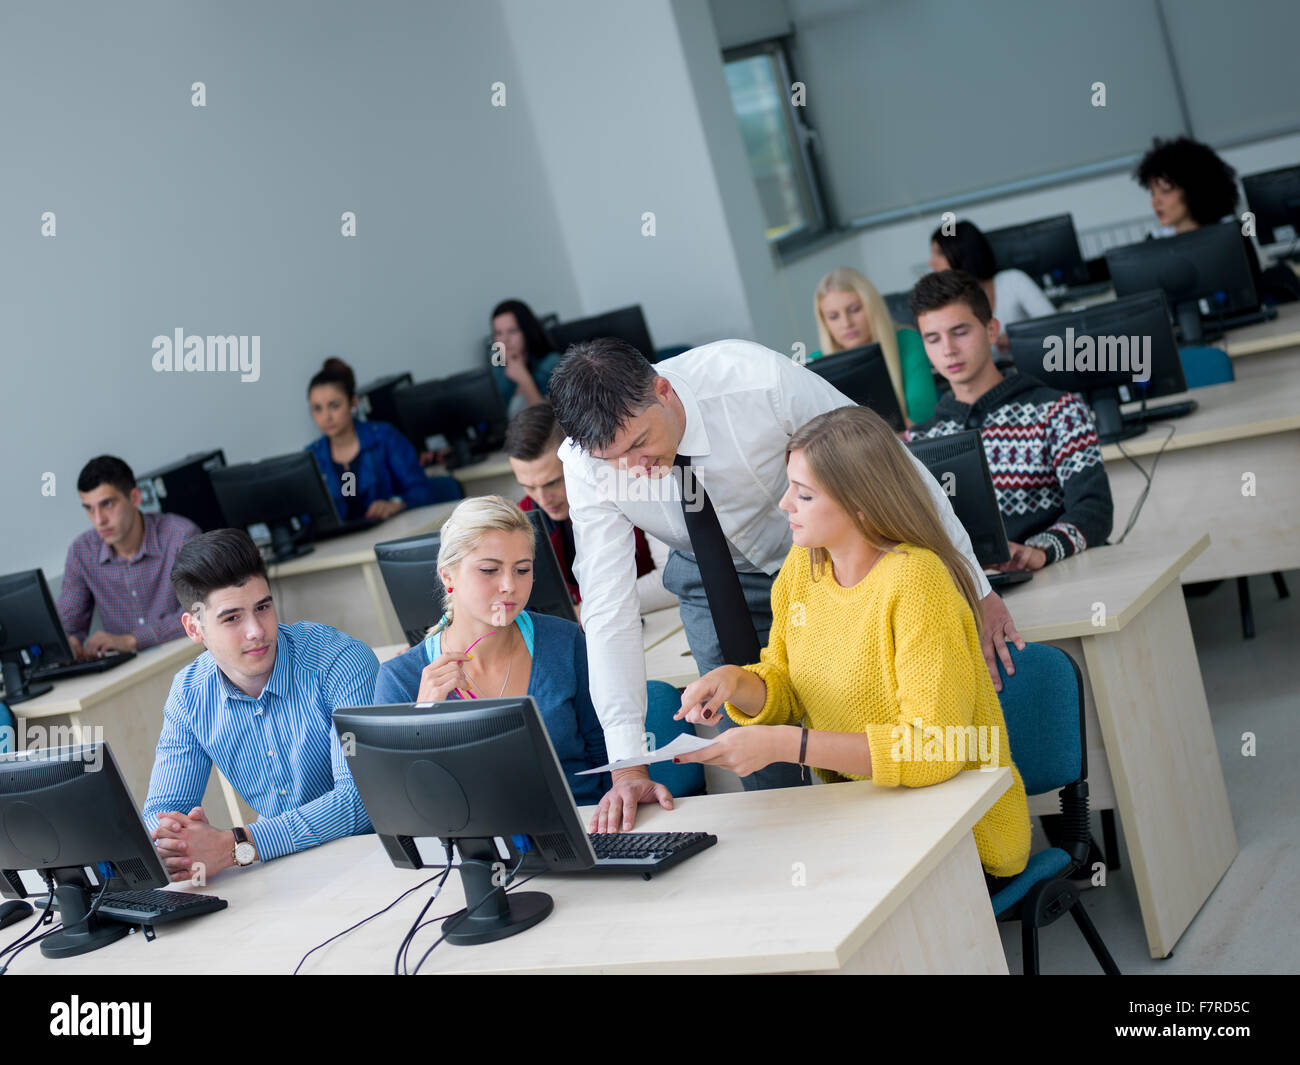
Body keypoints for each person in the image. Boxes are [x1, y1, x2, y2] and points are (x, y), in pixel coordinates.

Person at [547, 338, 1025, 832]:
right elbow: (609, 611)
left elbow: (890, 469)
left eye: (639, 443)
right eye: (613, 459)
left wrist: (975, 588)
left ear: (664, 392)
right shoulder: (586, 463)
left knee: (869, 699)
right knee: (754, 745)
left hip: (817, 554)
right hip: (709, 574)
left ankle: (919, 834)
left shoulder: (755, 380)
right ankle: (821, 859)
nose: (632, 468)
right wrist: (628, 764)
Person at [673, 405, 1031, 880]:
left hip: (959, 830)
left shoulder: (917, 582)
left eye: (803, 495)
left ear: (860, 504)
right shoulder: (803, 570)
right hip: (865, 815)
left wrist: (787, 744)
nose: (784, 506)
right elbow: (786, 688)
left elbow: (935, 750)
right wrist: (734, 682)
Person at [372, 496, 680, 808]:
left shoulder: (565, 642)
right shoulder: (401, 680)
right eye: (490, 570)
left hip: (588, 829)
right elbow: (405, 806)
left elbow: (607, 759)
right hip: (479, 848)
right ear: (448, 576)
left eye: (522, 570)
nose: (509, 585)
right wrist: (423, 725)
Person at [142, 529, 378, 882]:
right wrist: (178, 842)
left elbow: (358, 803)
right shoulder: (189, 695)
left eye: (263, 607)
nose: (256, 630)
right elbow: (160, 813)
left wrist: (236, 845)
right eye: (232, 618)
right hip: (285, 874)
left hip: (374, 860)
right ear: (194, 628)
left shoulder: (339, 662)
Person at [904, 270, 1113, 570]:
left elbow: (1095, 510)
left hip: (1057, 573)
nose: (948, 350)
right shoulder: (918, 441)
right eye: (933, 339)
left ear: (991, 330)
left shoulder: (1058, 410)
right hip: (974, 596)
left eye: (960, 332)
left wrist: (1040, 550)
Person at [503, 402, 675, 615]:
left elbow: (672, 581)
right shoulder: (524, 516)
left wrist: (587, 610)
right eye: (528, 487)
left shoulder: (635, 485)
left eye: (553, 482)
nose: (542, 499)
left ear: (579, 462)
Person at [57, 455, 199, 660]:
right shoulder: (82, 552)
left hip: (186, 658)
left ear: (134, 498)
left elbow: (202, 610)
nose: (99, 520)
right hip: (127, 673)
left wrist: (133, 639)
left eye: (107, 504)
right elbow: (69, 624)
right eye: (89, 508)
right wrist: (69, 643)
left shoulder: (180, 536)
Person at [305, 357, 461, 522]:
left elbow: (421, 490)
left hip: (393, 533)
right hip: (346, 544)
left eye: (334, 406)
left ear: (353, 402)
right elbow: (310, 515)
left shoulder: (384, 437)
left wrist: (397, 503)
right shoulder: (313, 456)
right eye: (317, 409)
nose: (326, 417)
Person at [811, 267, 937, 424]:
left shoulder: (907, 340)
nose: (846, 323)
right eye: (833, 316)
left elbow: (921, 416)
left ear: (873, 307)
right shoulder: (813, 364)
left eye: (855, 310)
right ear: (824, 322)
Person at [928, 219, 1055, 349]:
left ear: (963, 254)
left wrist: (1017, 339)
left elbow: (1055, 325)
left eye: (940, 253)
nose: (931, 263)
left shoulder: (1013, 281)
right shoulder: (950, 305)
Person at [490, 299, 562, 419]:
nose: (504, 340)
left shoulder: (552, 363)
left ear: (526, 331)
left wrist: (524, 380)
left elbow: (546, 422)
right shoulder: (498, 369)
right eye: (498, 333)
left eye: (512, 331)